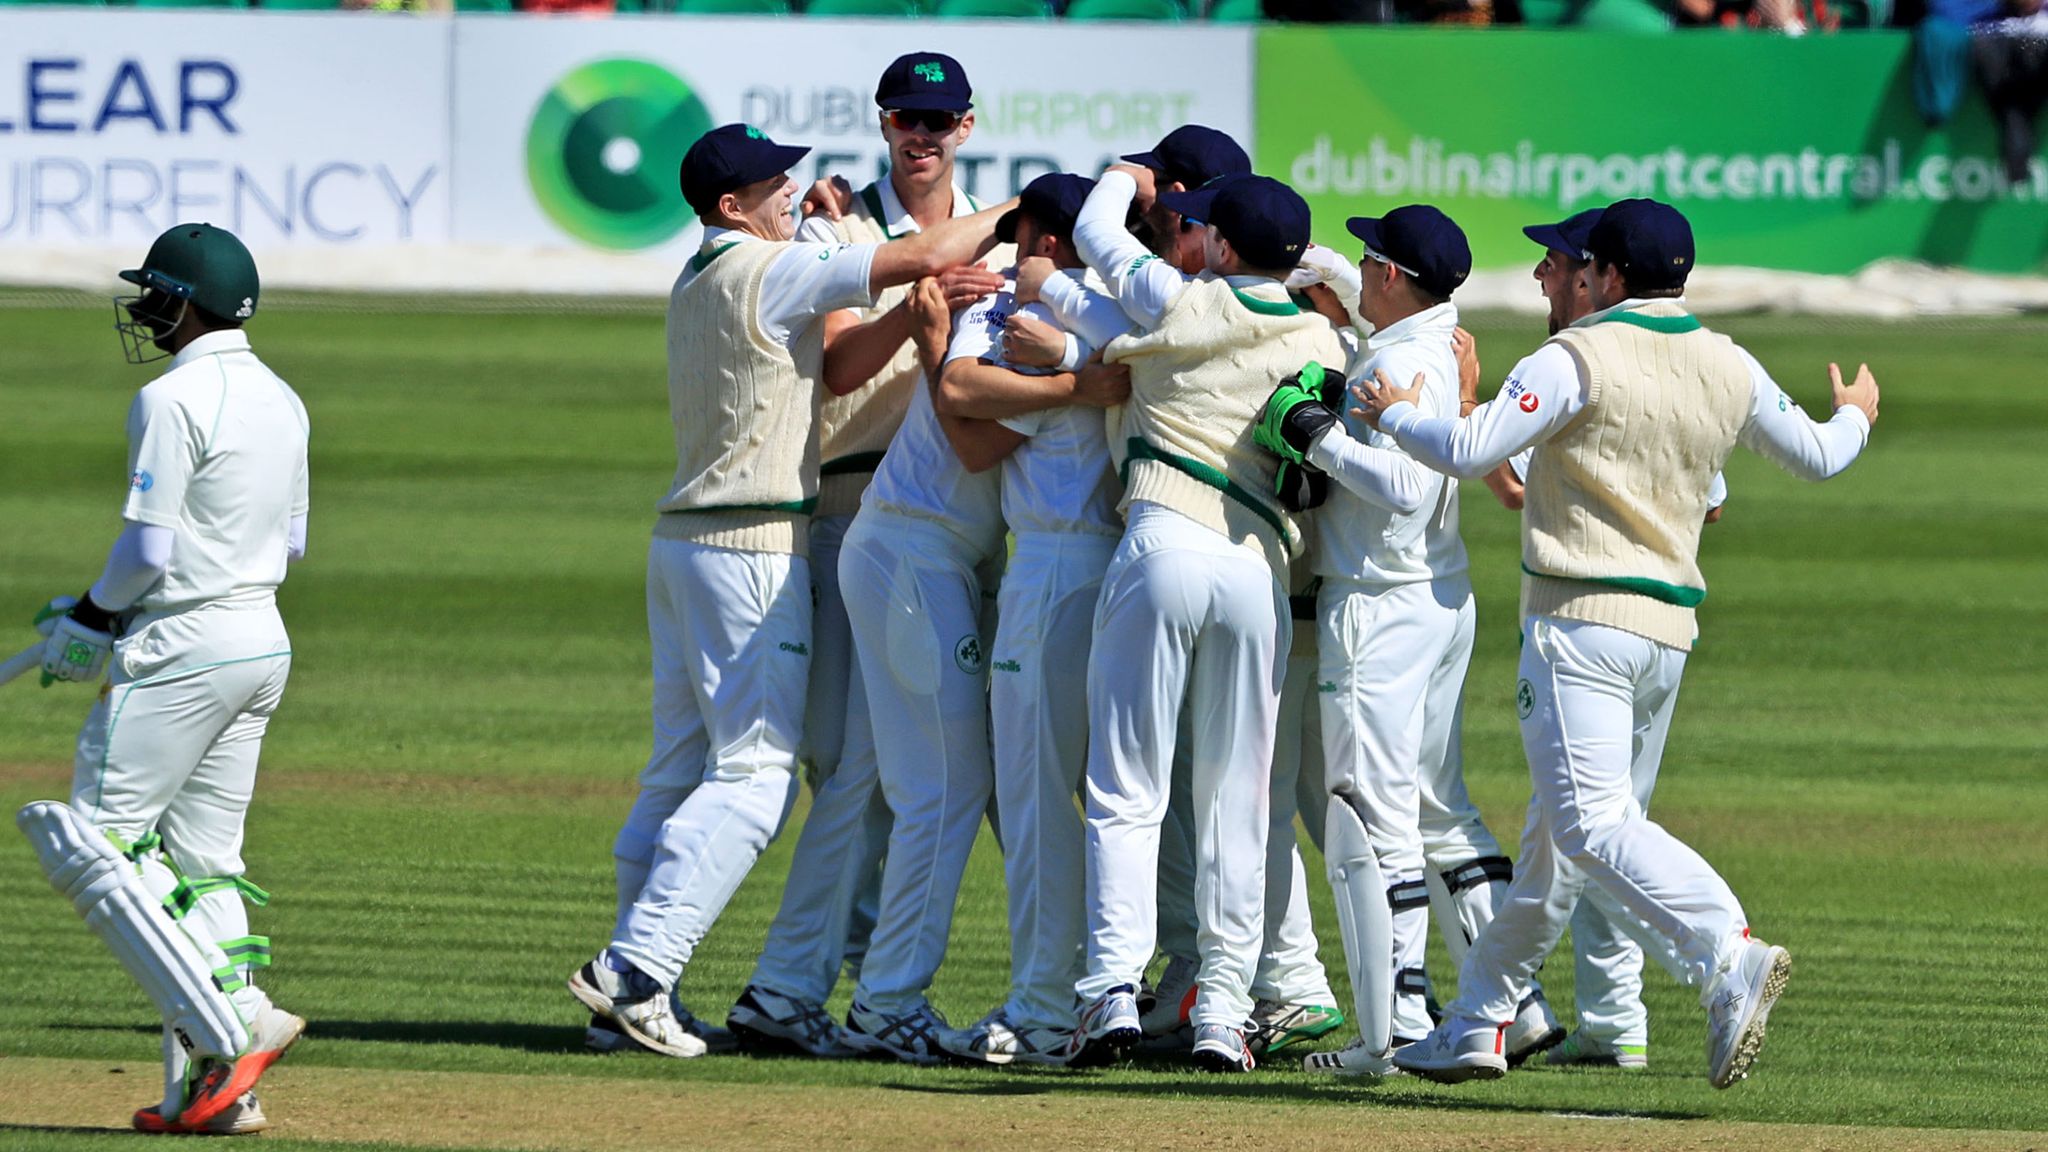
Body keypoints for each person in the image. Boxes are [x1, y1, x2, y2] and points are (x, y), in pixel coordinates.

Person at [1357, 198, 1879, 1089]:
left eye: (1582, 267)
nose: (1570, 279)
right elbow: (1821, 456)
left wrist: (1402, 412)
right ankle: (1478, 1018)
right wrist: (1858, 412)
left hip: (1581, 626)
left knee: (1592, 827)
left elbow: (1474, 445)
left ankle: (1726, 950)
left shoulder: (1576, 355)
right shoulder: (1729, 361)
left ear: (1607, 275)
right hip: (1666, 636)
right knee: (1559, 845)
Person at [568, 123, 1009, 1060]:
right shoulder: (769, 269)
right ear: (731, 205)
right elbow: (923, 251)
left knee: (679, 770)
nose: (791, 200)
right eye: (773, 185)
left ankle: (637, 998)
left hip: (684, 542)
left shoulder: (700, 275)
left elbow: (862, 331)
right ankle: (636, 967)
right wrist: (1036, 204)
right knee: (757, 774)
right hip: (755, 544)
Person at [725, 50, 1005, 1060]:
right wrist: (920, 298)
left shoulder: (991, 219)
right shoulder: (836, 225)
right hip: (860, 503)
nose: (919, 137)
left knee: (898, 772)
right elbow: (841, 361)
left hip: (969, 514)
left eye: (936, 120)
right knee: (861, 766)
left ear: (965, 126)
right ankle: (807, 982)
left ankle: (823, 976)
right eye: (904, 119)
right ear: (882, 122)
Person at [1037, 168, 1347, 1074]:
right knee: (1237, 798)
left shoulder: (1177, 298)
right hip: (1257, 566)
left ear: (1218, 243)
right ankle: (1221, 1008)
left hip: (1164, 540)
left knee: (1128, 786)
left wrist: (1124, 179)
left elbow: (1097, 234)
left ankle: (1109, 996)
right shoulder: (1318, 330)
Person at [20, 221, 309, 1136]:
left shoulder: (173, 397)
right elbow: (289, 541)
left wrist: (101, 618)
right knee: (205, 864)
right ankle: (218, 1094)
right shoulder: (285, 398)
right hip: (259, 637)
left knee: (91, 842)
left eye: (155, 294)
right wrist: (101, 608)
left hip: (179, 647)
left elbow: (151, 547)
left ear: (186, 304)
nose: (145, 309)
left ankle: (237, 1026)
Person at [1260, 205, 1560, 1078]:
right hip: (1442, 599)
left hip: (1379, 606)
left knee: (1369, 817)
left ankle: (1386, 1033)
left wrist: (1315, 437)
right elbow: (1358, 298)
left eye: (1366, 259)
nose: (1357, 271)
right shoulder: (1434, 332)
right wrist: (1304, 254)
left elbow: (1398, 483)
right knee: (1438, 805)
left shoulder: (1393, 361)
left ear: (1395, 274)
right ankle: (1517, 1003)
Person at [906, 172, 1132, 1065]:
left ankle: (1044, 1010)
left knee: (1037, 799)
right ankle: (1126, 991)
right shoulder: (1125, 311)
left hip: (1048, 569)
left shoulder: (1023, 308)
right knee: (1126, 797)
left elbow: (960, 401)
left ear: (1044, 236)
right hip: (1117, 568)